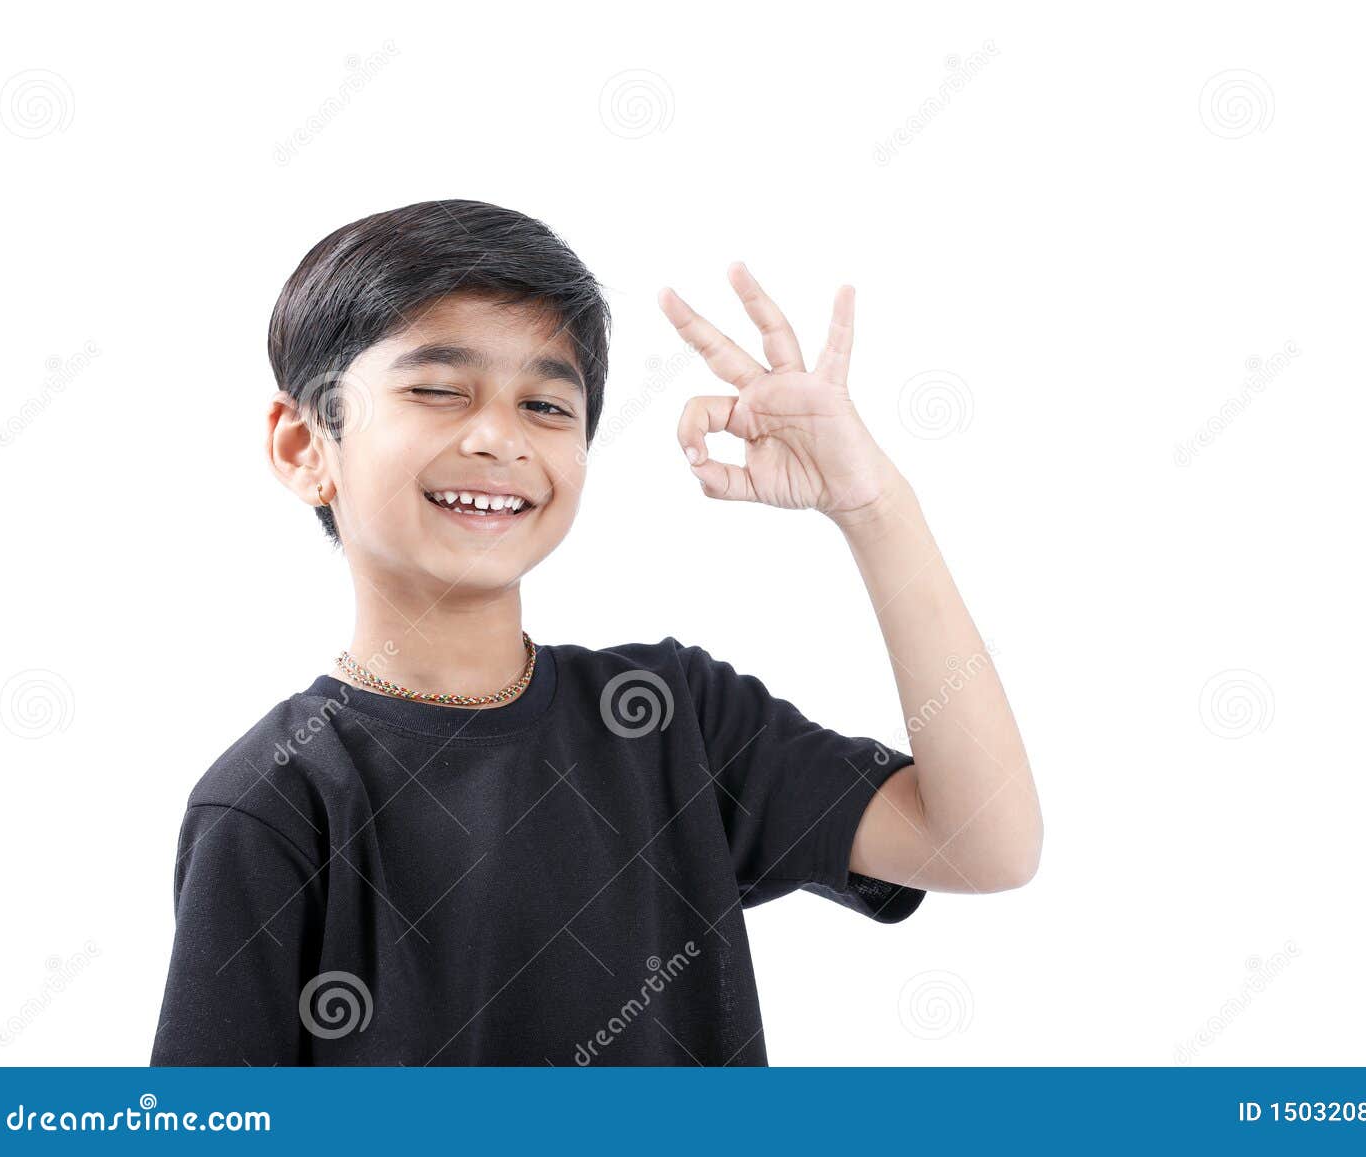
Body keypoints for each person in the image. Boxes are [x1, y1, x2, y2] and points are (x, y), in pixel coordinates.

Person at [148, 199, 1042, 1065]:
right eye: (438, 389)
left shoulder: (665, 716)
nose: (500, 437)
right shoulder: (275, 804)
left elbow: (986, 841)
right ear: (306, 446)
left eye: (546, 406)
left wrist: (873, 505)